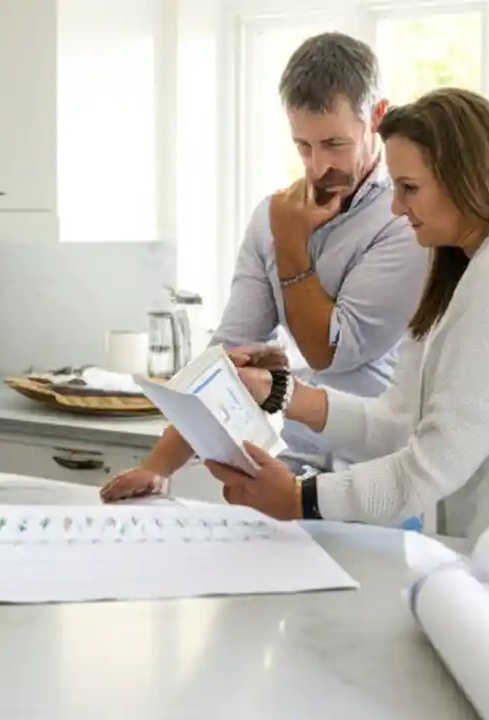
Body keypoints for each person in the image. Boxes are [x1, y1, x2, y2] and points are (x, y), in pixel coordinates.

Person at [205, 87, 489, 560]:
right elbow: (401, 423)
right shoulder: (465, 269)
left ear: (464, 178)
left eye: (410, 188)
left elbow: (428, 469)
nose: (397, 208)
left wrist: (301, 499)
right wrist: (279, 392)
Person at [101, 33, 428, 502]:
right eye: (304, 146)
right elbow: (226, 356)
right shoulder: (271, 216)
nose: (318, 167)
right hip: (295, 467)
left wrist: (293, 246)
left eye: (335, 144)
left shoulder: (405, 219)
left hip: (379, 478)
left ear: (377, 117)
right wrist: (158, 467)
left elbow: (332, 355)